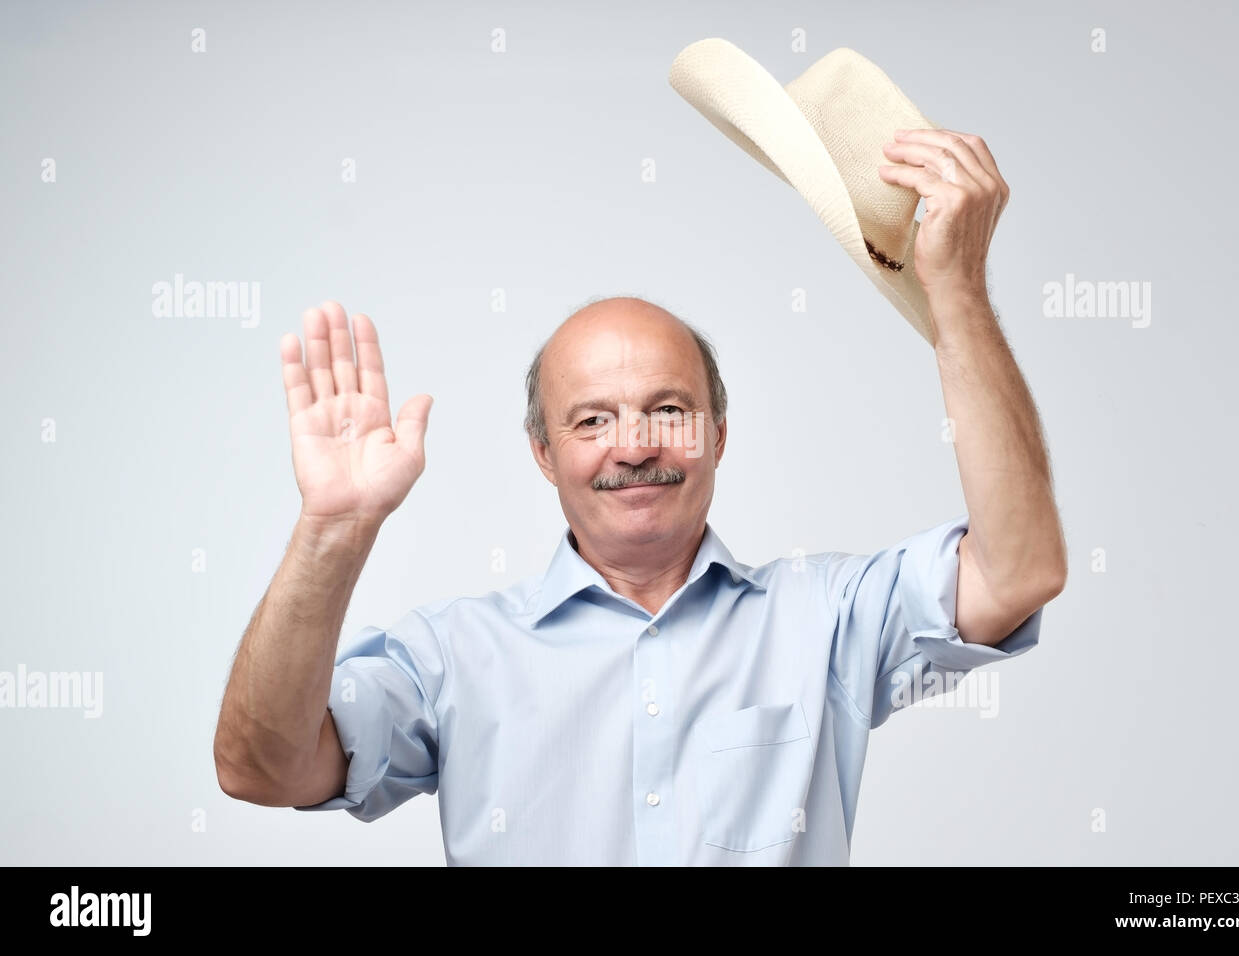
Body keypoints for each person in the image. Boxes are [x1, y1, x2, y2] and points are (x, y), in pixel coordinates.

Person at [213, 128, 1066, 865]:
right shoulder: (452, 660)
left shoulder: (828, 619)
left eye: (669, 410)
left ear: (719, 436)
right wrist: (333, 529)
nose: (635, 446)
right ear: (544, 456)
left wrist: (954, 288)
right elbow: (262, 767)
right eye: (592, 421)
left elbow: (1016, 572)